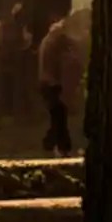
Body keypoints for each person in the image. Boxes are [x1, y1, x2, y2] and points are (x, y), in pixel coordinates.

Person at [38, 12, 86, 156]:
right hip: (52, 82)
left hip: (47, 81)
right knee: (59, 116)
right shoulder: (57, 40)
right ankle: (62, 147)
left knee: (57, 116)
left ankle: (51, 143)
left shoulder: (50, 40)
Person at [0, 3, 32, 116]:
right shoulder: (9, 26)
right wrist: (26, 42)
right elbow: (11, 42)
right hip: (7, 57)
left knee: (8, 84)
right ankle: (6, 109)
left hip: (7, 57)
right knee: (7, 84)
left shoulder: (7, 25)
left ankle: (8, 109)